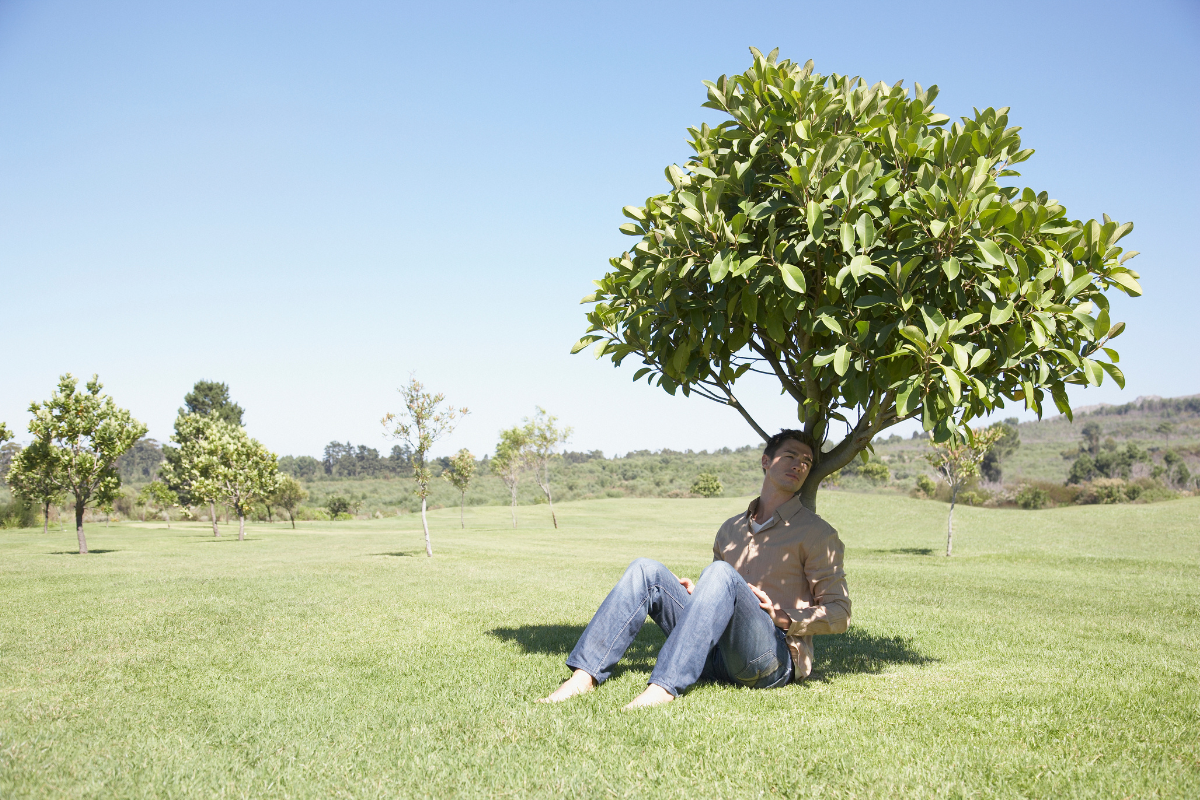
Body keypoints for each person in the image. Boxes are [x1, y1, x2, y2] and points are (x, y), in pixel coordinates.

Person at [540, 429, 851, 709]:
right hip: (713, 655)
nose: (799, 464)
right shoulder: (731, 529)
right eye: (790, 456)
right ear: (766, 461)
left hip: (770, 659)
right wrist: (700, 595)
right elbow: (723, 593)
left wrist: (783, 617)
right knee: (645, 570)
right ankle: (583, 678)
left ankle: (663, 687)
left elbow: (840, 613)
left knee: (720, 575)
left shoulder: (817, 534)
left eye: (807, 462)